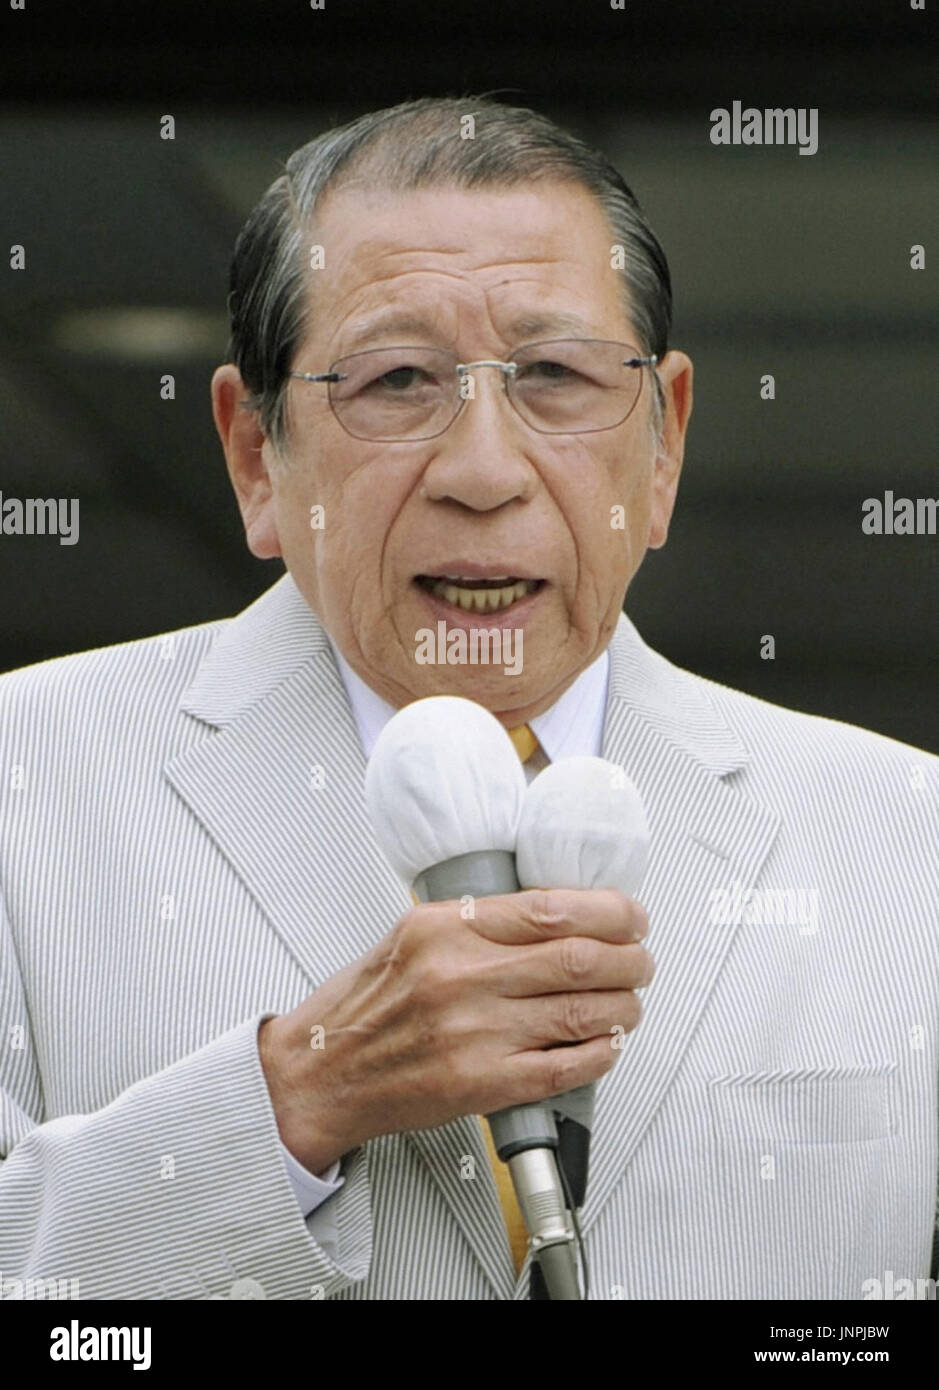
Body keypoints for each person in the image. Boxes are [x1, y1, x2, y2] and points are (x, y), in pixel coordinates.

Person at [0, 96, 936, 1301]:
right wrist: (297, 1095)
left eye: (554, 374)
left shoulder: (905, 834)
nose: (485, 471)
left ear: (664, 450)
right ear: (253, 456)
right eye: (395, 381)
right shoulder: (24, 790)